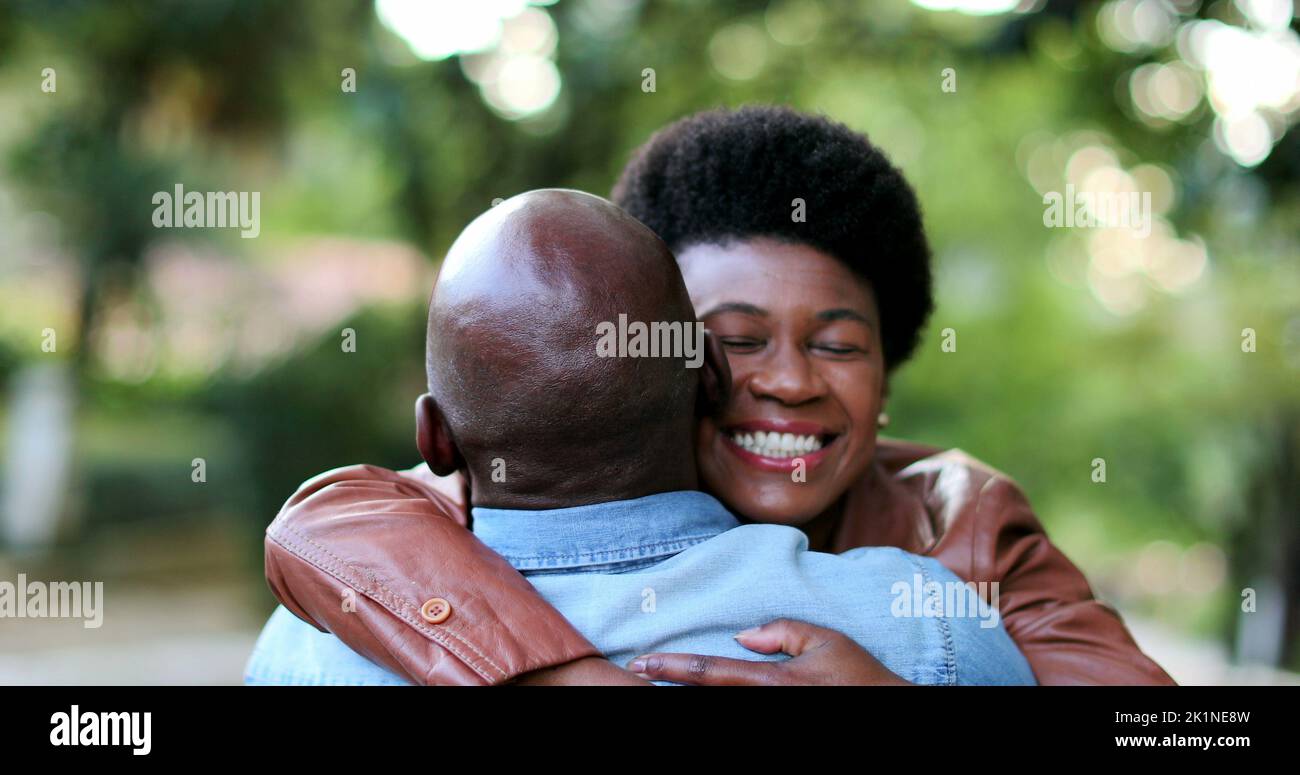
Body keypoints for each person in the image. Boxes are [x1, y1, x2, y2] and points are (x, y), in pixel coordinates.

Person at [259, 106, 1174, 686]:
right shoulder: (434, 514)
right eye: (736, 339)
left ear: (888, 377)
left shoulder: (962, 534)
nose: (783, 378)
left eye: (839, 343)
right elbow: (320, 524)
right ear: (664, 359)